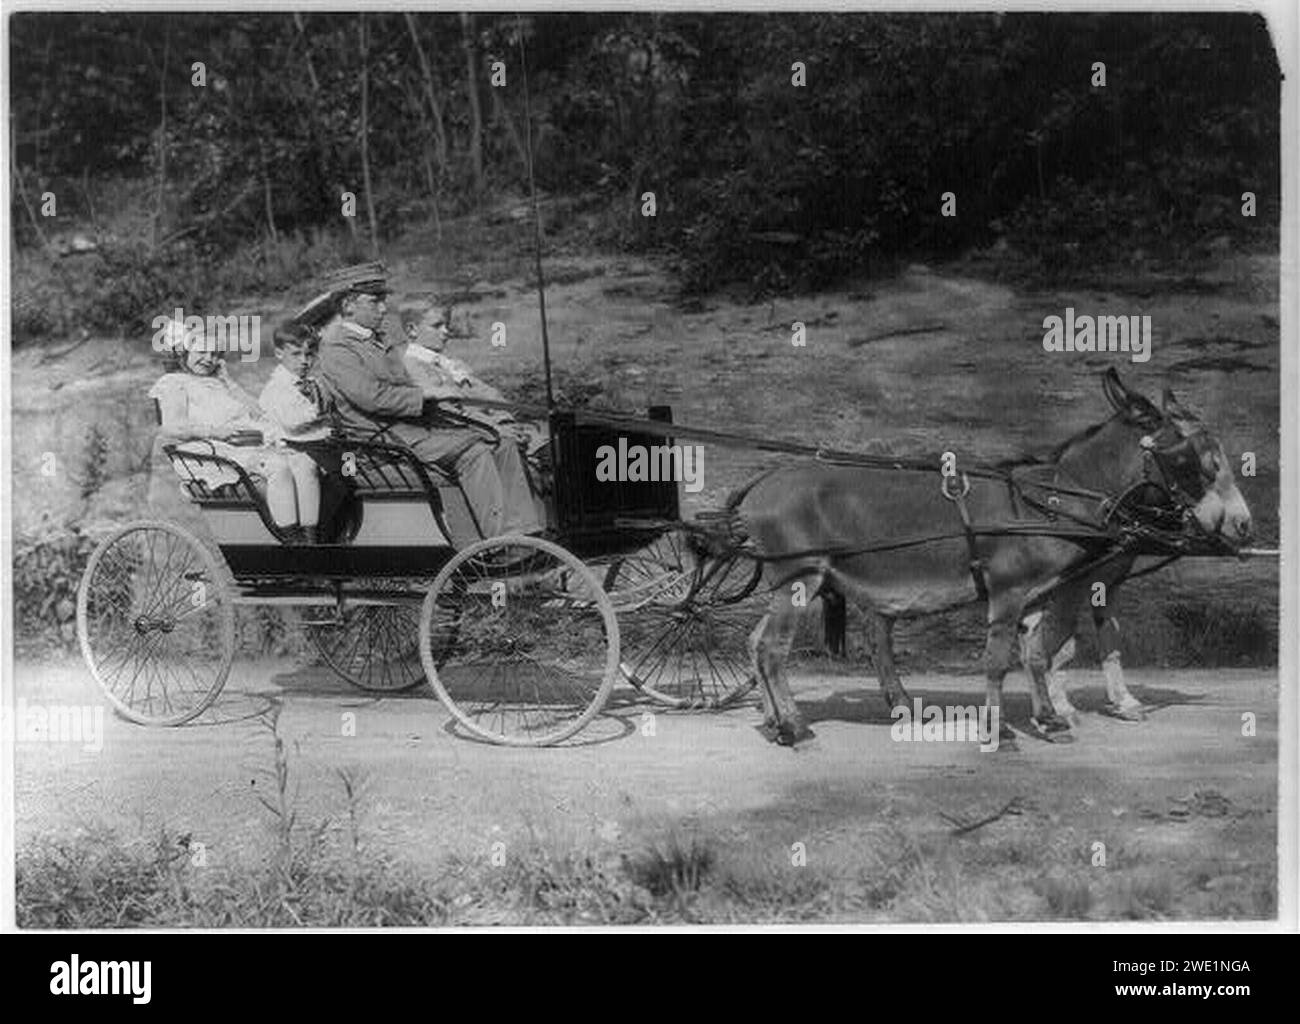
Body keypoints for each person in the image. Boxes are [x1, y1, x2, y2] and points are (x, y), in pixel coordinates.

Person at [313, 263, 542, 539]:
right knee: (474, 451)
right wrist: (425, 394)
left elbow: (404, 379)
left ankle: (526, 533)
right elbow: (371, 396)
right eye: (375, 301)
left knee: (501, 440)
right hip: (382, 438)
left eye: (383, 300)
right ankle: (498, 542)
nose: (383, 309)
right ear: (348, 304)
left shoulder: (376, 340)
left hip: (410, 427)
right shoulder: (337, 346)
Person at [150, 319, 321, 542]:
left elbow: (257, 412)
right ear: (184, 352)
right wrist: (214, 431)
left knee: (303, 464)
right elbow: (172, 426)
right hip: (215, 453)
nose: (208, 359)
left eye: (214, 353)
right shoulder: (174, 383)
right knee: (280, 469)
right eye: (201, 352)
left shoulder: (217, 381)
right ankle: (295, 544)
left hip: (245, 447)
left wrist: (228, 381)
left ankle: (312, 541)